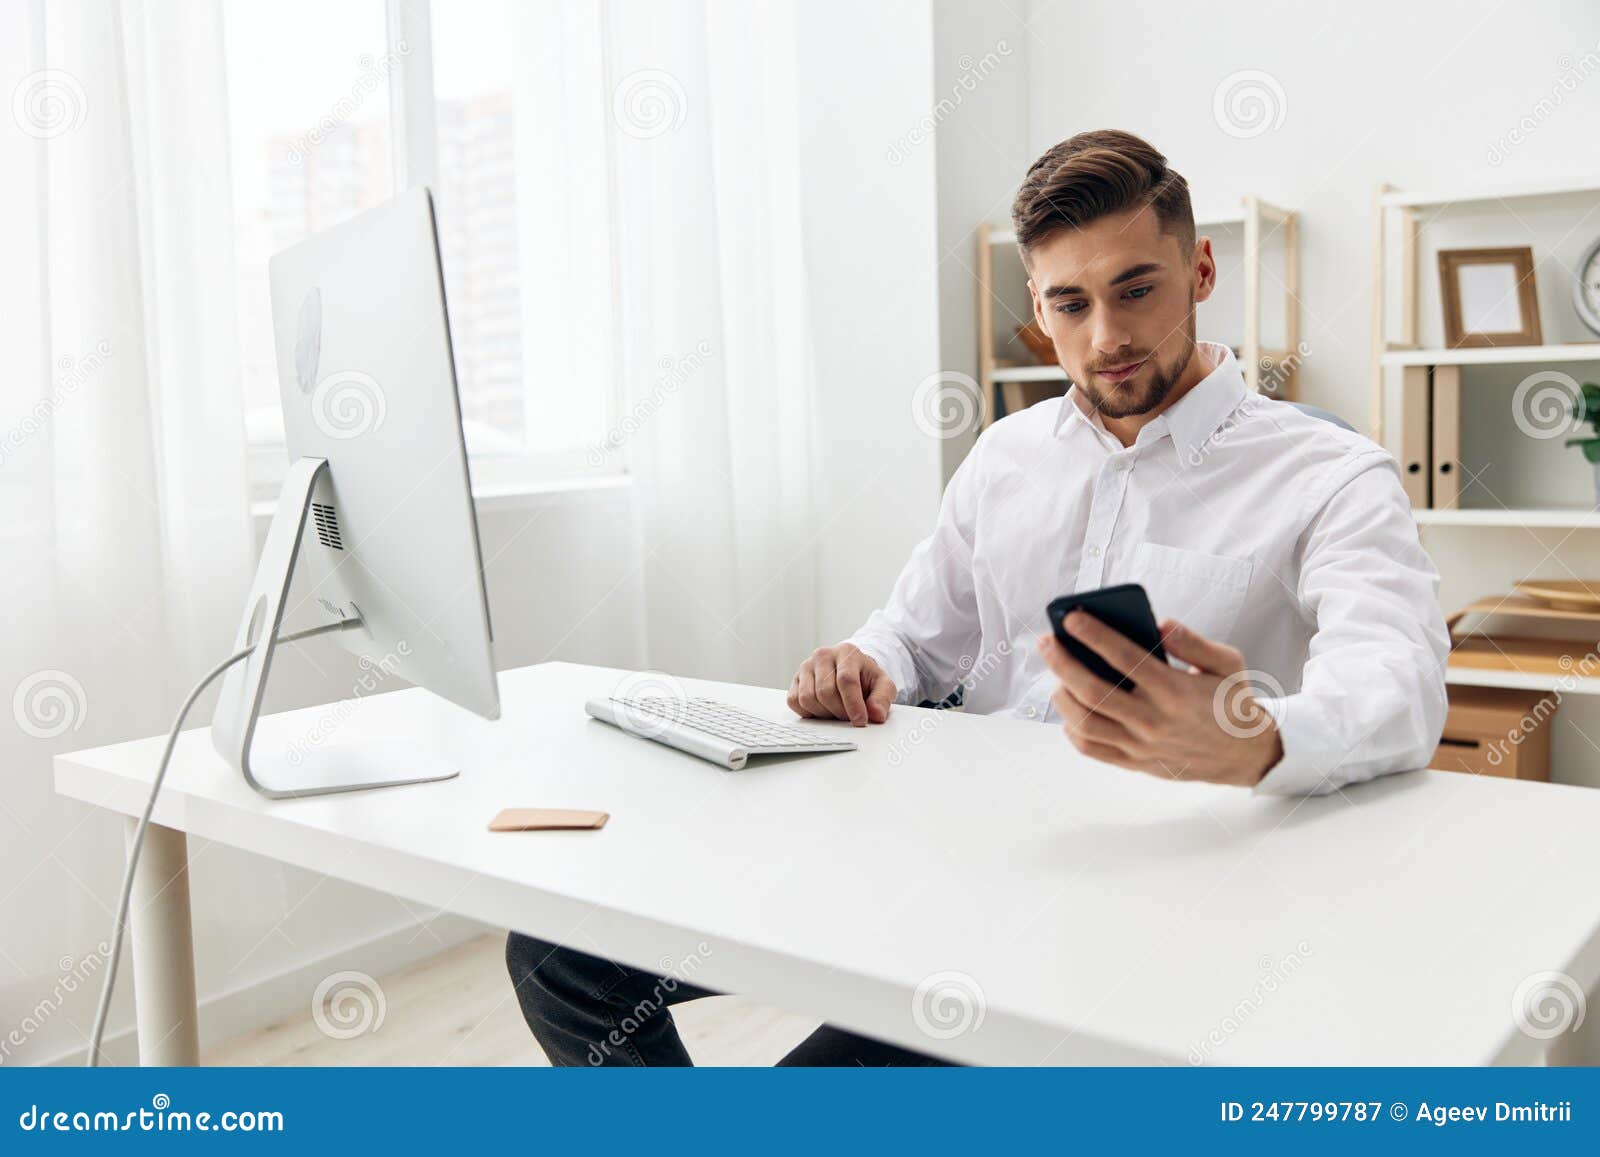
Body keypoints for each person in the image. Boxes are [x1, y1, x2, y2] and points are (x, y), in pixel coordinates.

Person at [506, 129, 1450, 1067]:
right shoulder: (1007, 456)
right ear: (1036, 305)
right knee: (557, 949)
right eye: (1069, 304)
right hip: (957, 861)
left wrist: (1258, 736)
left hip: (1139, 916)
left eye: (1136, 289)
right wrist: (864, 661)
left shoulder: (1330, 474)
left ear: (1201, 268)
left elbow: (1399, 682)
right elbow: (916, 637)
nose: (1107, 337)